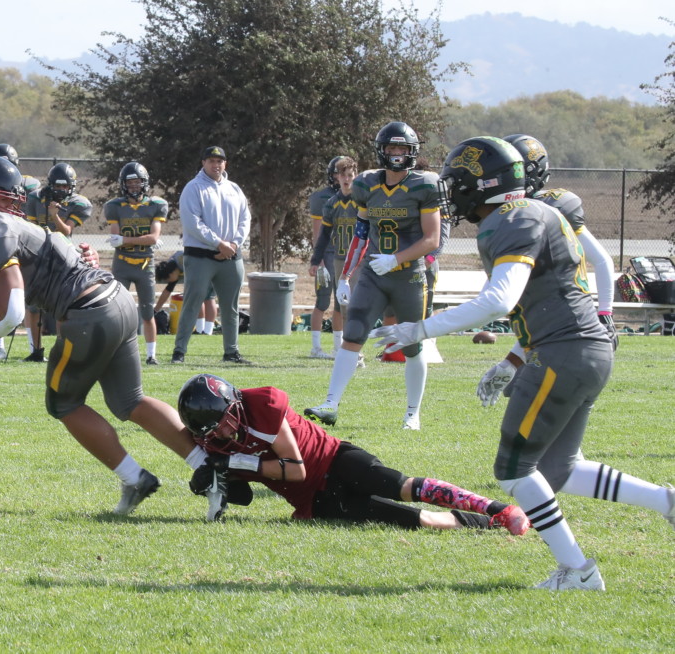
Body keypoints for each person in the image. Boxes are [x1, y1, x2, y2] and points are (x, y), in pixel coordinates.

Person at [369, 135, 675, 590]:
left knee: (513, 469)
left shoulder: (513, 219)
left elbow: (499, 300)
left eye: (458, 183)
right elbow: (546, 302)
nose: (452, 192)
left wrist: (419, 329)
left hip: (563, 353)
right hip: (582, 351)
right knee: (558, 468)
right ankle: (667, 502)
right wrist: (513, 359)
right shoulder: (536, 213)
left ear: (484, 183)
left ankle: (577, 570)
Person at [0, 154, 207, 515]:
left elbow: (13, 309)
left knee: (62, 403)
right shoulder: (17, 228)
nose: (13, 203)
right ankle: (206, 466)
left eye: (11, 196)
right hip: (117, 299)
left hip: (88, 312)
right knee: (130, 400)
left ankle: (134, 478)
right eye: (6, 197)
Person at [179, 373, 532, 533]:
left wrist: (230, 462)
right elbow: (244, 495)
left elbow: (295, 468)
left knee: (401, 485)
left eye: (225, 421)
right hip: (314, 502)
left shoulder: (263, 403)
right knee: (411, 519)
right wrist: (214, 480)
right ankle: (486, 524)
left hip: (333, 459)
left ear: (233, 403)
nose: (225, 432)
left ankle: (497, 508)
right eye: (215, 431)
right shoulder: (214, 445)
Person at [306, 122, 442, 430]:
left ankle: (412, 413)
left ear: (412, 152)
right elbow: (361, 232)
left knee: (411, 345)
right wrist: (346, 276)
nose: (397, 154)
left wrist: (396, 259)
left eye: (402, 149)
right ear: (382, 151)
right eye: (392, 149)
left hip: (408, 276)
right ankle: (330, 403)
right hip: (373, 273)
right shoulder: (366, 184)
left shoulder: (425, 185)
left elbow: (432, 239)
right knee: (353, 333)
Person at [504, 134, 619, 349]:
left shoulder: (555, 206)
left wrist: (604, 314)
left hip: (564, 309)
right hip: (534, 309)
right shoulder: (503, 212)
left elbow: (602, 260)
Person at [171, 146, 251, 365]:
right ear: (203, 163)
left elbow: (245, 218)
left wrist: (234, 243)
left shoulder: (234, 188)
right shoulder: (193, 188)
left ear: (225, 164)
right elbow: (193, 223)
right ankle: (179, 352)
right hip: (200, 257)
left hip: (231, 256)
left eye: (220, 161)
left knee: (231, 306)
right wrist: (219, 243)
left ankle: (231, 352)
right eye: (211, 161)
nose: (216, 165)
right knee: (192, 301)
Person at [21, 162, 92, 361]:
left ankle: (61, 350)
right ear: (50, 184)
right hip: (39, 256)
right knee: (33, 306)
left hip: (63, 257)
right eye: (58, 186)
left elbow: (66, 231)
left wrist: (54, 216)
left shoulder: (79, 203)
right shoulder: (36, 198)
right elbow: (30, 227)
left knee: (62, 306)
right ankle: (35, 350)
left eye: (65, 186)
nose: (61, 190)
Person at [105, 162, 166, 364]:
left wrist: (126, 240)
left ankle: (151, 355)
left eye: (137, 181)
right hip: (122, 264)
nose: (133, 186)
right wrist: (134, 239)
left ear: (144, 183)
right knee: (117, 311)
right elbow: (116, 240)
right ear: (123, 184)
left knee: (147, 312)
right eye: (130, 182)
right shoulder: (114, 206)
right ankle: (115, 352)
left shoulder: (155, 205)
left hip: (145, 265)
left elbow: (154, 238)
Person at [308, 156, 357, 360]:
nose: (346, 179)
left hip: (359, 258)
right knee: (339, 303)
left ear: (355, 176)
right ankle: (342, 348)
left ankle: (352, 347)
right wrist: (315, 260)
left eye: (350, 175)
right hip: (338, 257)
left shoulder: (362, 201)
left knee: (357, 304)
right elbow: (323, 235)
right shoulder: (331, 203)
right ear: (336, 176)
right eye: (342, 175)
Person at [154, 251, 217, 335]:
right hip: (199, 271)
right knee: (197, 297)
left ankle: (208, 331)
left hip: (208, 269)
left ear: (171, 273)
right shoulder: (173, 267)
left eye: (167, 279)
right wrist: (156, 310)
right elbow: (167, 291)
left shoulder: (184, 262)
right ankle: (199, 330)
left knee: (209, 298)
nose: (168, 281)